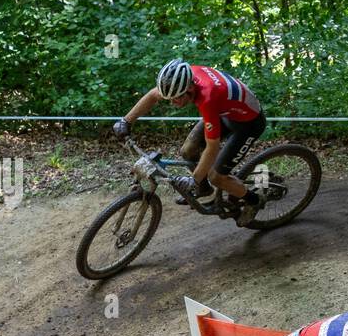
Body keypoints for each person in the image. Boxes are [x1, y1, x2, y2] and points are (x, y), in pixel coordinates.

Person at [113, 60, 266, 226]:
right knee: (188, 150)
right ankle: (204, 189)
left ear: (190, 89)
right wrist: (126, 121)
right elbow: (153, 95)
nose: (173, 103)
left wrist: (193, 179)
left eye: (176, 98)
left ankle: (254, 200)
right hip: (225, 112)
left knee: (216, 177)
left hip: (248, 123)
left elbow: (212, 147)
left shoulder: (207, 97)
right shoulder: (180, 78)